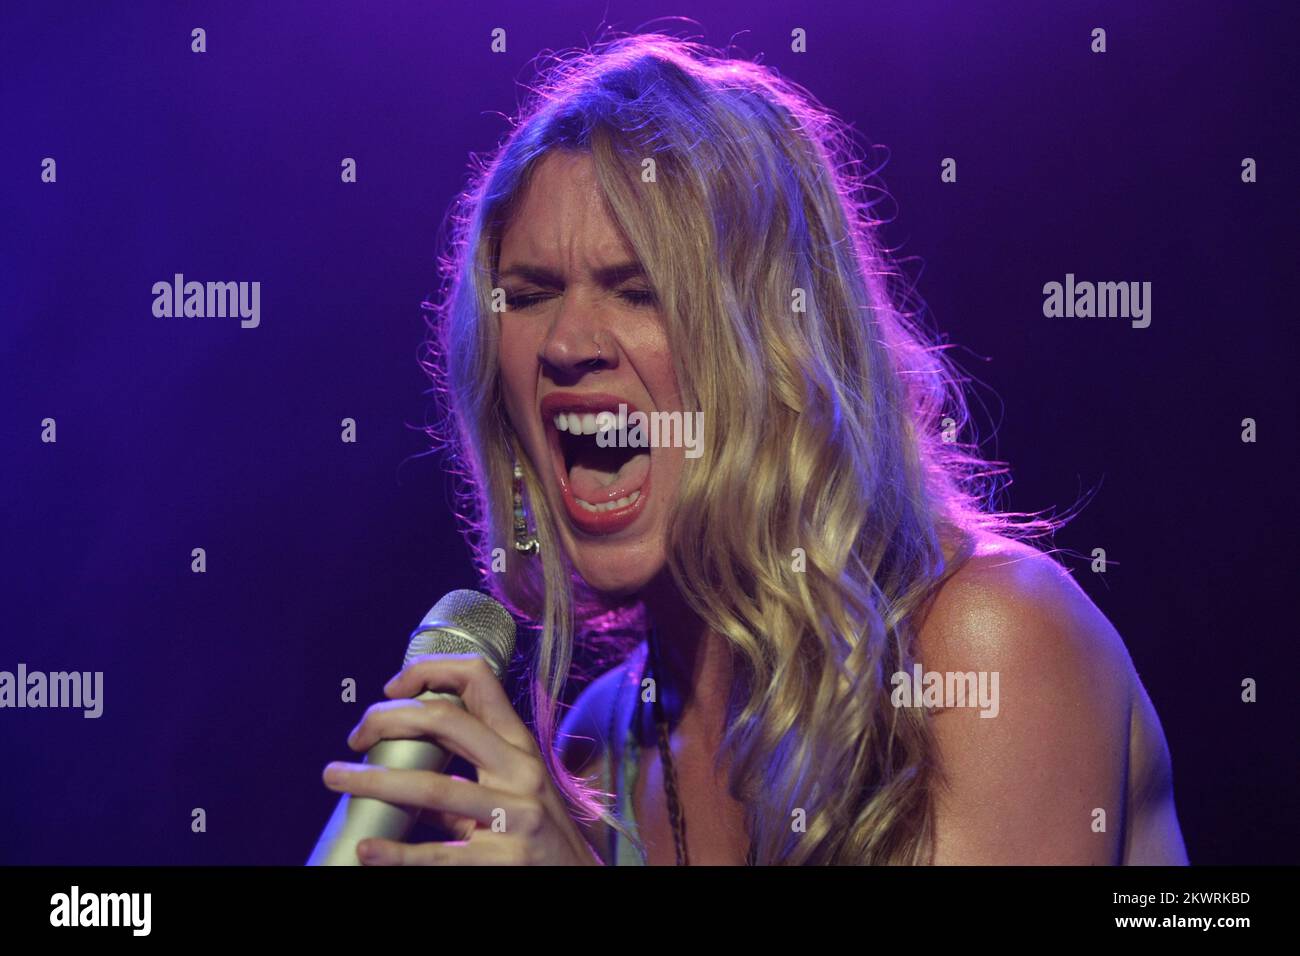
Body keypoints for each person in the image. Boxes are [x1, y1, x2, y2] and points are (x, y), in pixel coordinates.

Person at [320, 34, 1188, 865]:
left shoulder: (986, 644)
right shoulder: (601, 747)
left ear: (777, 348)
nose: (566, 342)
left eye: (638, 290)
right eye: (532, 293)